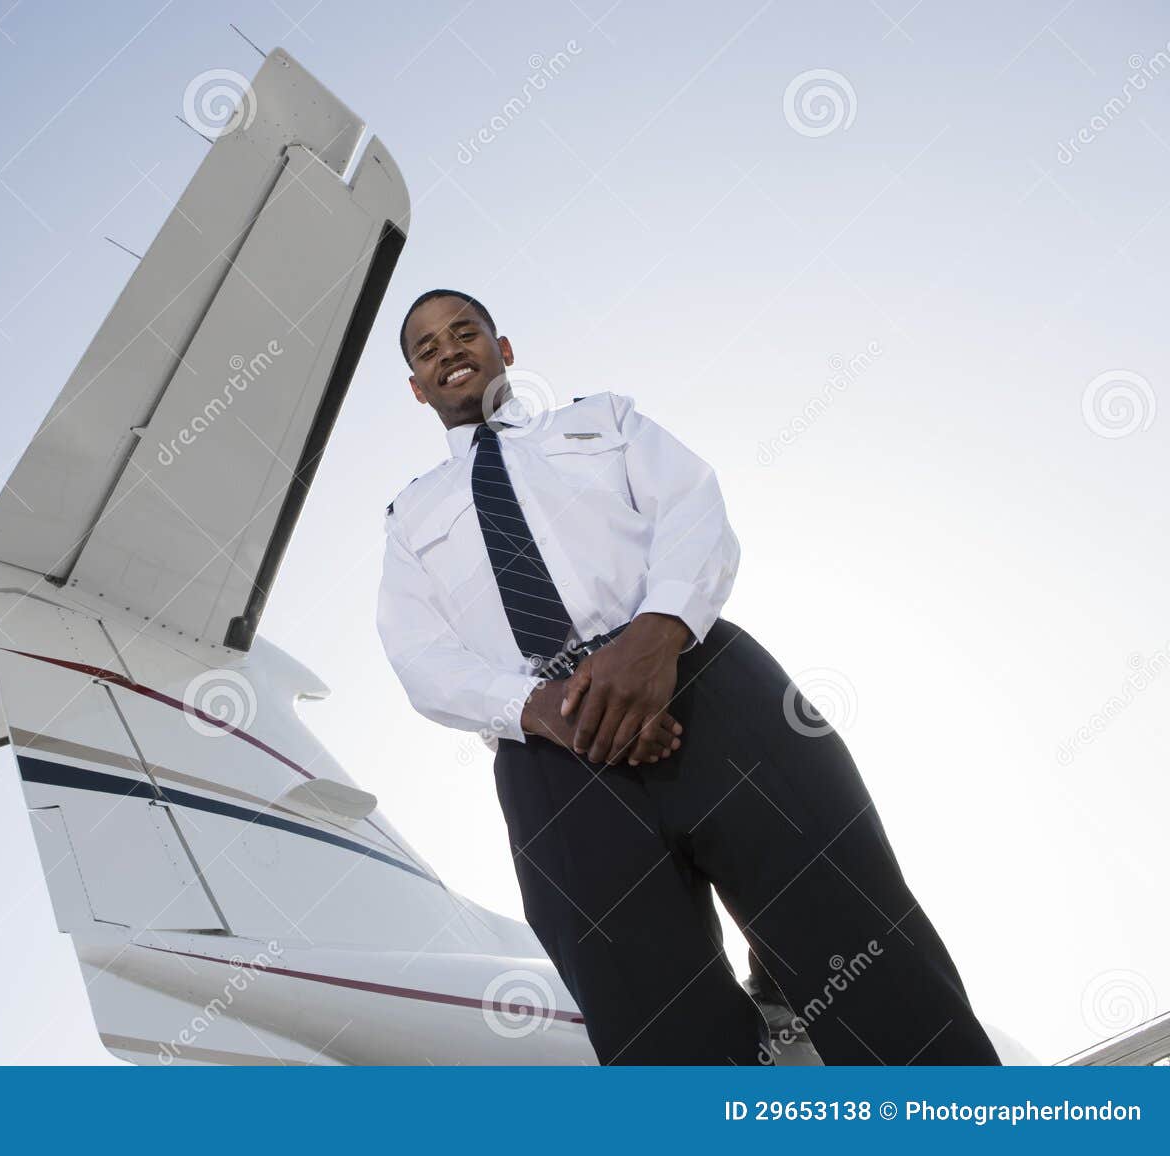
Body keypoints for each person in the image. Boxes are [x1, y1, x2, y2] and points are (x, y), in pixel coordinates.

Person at [375, 289, 1001, 1065]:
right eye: (427, 349)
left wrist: (654, 637)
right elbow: (419, 654)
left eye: (463, 332)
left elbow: (693, 510)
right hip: (552, 758)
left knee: (862, 945)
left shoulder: (601, 420)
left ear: (505, 348)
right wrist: (542, 709)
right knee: (658, 1035)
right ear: (416, 387)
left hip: (702, 686)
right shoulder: (411, 517)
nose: (448, 351)